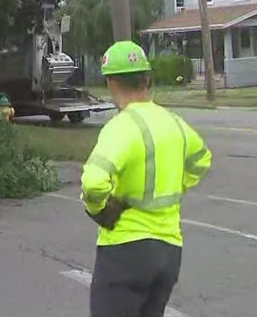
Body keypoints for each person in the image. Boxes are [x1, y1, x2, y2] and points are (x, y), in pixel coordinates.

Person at [80, 41, 212, 317]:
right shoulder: (175, 122)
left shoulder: (120, 127)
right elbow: (202, 160)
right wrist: (177, 184)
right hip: (168, 252)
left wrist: (100, 209)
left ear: (111, 82)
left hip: (125, 252)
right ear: (147, 79)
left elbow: (93, 181)